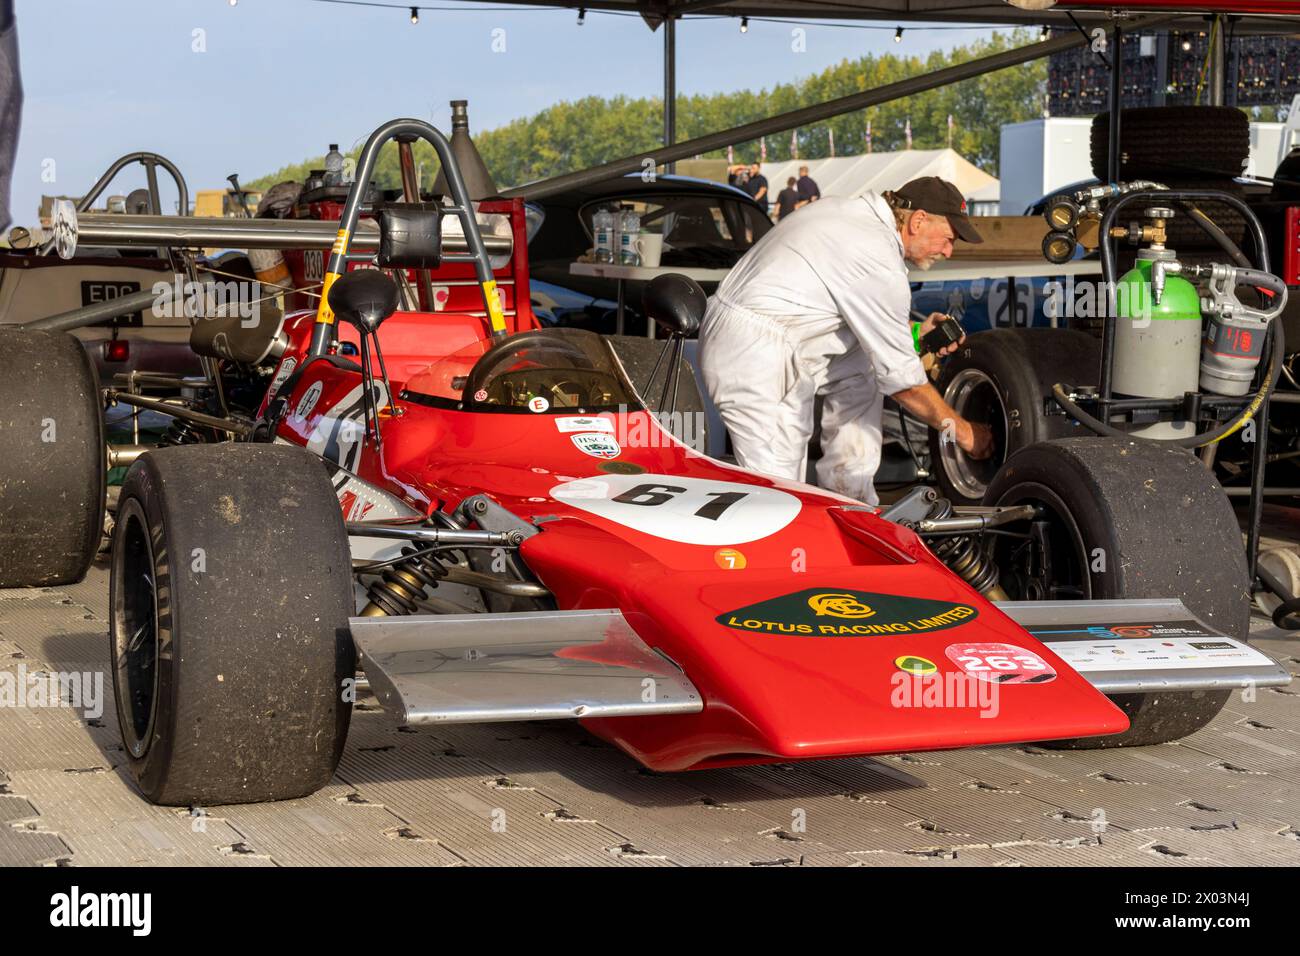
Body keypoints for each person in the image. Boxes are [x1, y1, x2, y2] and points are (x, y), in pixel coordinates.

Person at [697, 176, 992, 505]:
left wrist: (917, 333)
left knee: (863, 367)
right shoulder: (876, 256)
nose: (949, 252)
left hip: (767, 332)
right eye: (948, 239)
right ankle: (773, 547)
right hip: (757, 352)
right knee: (777, 495)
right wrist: (966, 435)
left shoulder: (848, 214)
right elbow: (905, 384)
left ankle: (850, 498)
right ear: (918, 220)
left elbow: (853, 312)